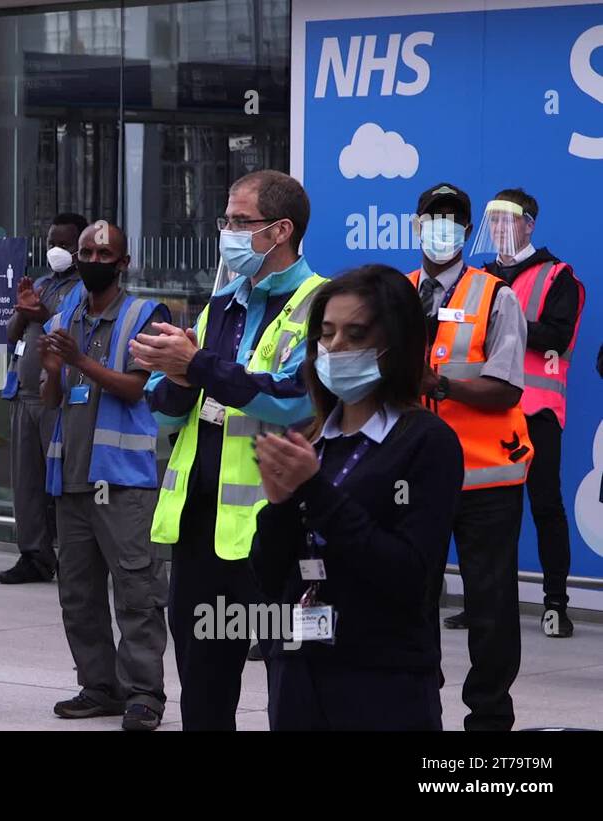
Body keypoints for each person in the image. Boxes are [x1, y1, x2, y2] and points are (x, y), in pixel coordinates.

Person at [131, 169, 327, 731]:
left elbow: (294, 401)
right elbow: (166, 411)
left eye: (241, 222)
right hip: (201, 528)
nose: (228, 233)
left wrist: (196, 366)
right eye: (227, 221)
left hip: (277, 527)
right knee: (203, 685)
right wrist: (178, 373)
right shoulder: (220, 303)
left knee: (292, 685)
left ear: (280, 230)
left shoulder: (321, 304)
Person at [250, 265, 464, 730]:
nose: (335, 348)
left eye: (355, 334)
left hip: (382, 681)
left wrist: (314, 490)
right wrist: (281, 505)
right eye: (326, 334)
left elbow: (409, 574)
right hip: (299, 672)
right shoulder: (312, 439)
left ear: (394, 344)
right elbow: (270, 576)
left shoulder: (426, 442)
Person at [408, 182, 533, 731]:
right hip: (416, 475)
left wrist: (439, 386)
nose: (441, 225)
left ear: (465, 230)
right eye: (432, 216)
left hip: (487, 475)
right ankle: (417, 703)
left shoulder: (495, 295)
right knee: (412, 594)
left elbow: (506, 388)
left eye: (452, 218)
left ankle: (489, 718)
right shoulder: (399, 293)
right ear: (417, 226)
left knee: (490, 602)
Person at [39, 220, 171, 732]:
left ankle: (144, 695)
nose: (93, 259)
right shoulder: (67, 309)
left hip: (122, 478)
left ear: (123, 261)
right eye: (86, 251)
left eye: (103, 252)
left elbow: (137, 388)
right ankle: (99, 686)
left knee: (136, 591)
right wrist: (53, 367)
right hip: (70, 475)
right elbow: (52, 396)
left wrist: (76, 361)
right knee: (78, 592)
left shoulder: (144, 314)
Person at [476, 189, 585, 638]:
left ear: (529, 224)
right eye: (494, 221)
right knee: (485, 510)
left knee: (544, 505)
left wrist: (502, 318)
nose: (500, 229)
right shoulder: (481, 275)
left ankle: (556, 603)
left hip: (536, 410)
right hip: (487, 405)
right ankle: (483, 600)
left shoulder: (558, 276)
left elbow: (557, 336)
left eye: (508, 220)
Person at [0, 212, 89, 584]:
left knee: (63, 481)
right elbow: (12, 333)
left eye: (65, 244)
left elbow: (77, 334)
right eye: (52, 243)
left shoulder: (85, 286)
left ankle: (72, 558)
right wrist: (24, 311)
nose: (57, 250)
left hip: (60, 397)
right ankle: (33, 555)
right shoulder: (42, 281)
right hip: (25, 393)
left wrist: (44, 313)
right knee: (27, 482)